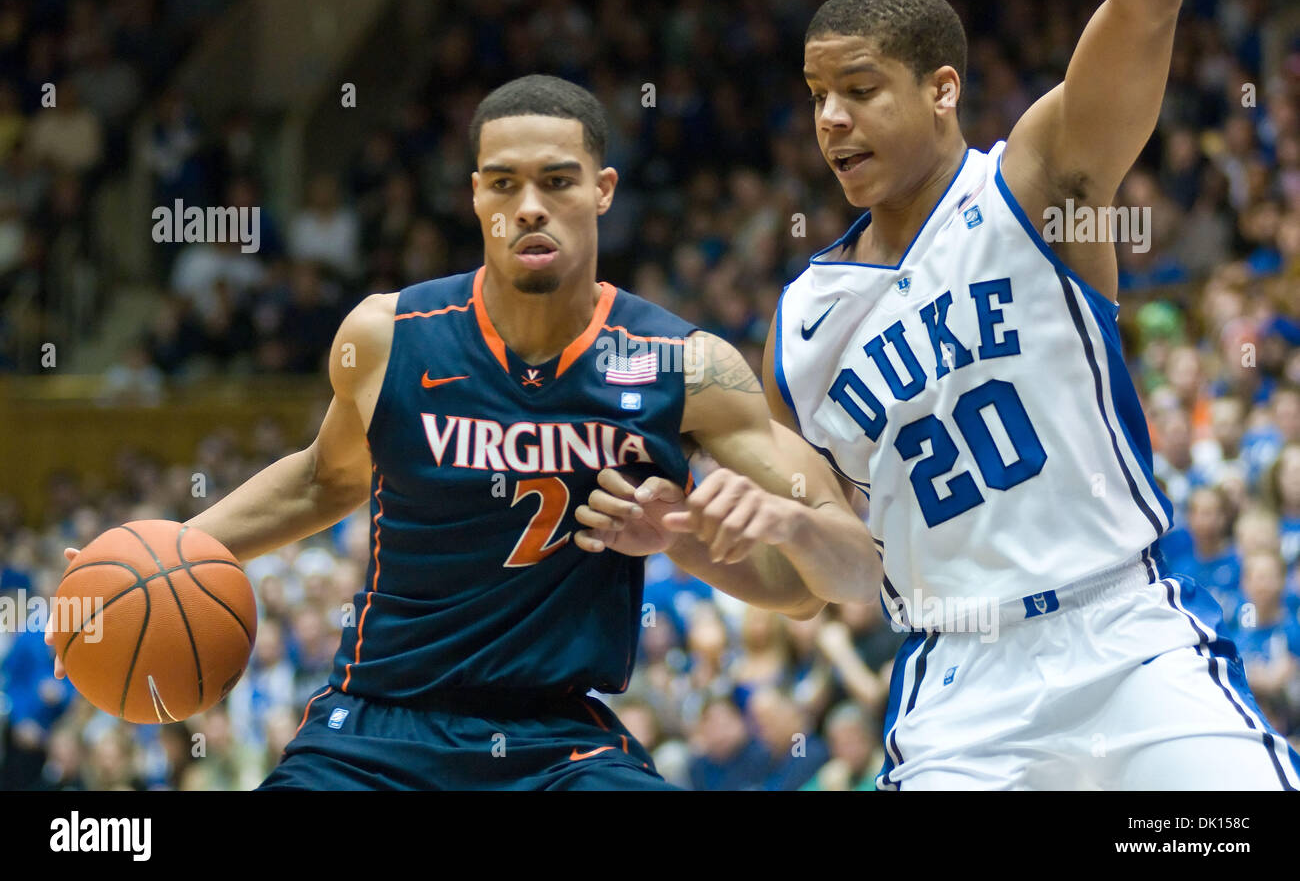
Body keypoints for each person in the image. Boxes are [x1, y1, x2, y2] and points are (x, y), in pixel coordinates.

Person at [585, 0, 1300, 789]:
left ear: (942, 89)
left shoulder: (1036, 186)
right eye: (816, 95)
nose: (831, 118)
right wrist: (692, 544)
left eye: (859, 89)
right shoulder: (802, 326)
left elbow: (1147, 5)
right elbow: (823, 576)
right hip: (963, 686)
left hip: (1126, 636)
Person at [49, 75, 875, 790]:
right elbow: (319, 480)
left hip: (559, 742)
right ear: (475, 193)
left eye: (558, 181)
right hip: (374, 731)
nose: (529, 208)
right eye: (504, 184)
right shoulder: (387, 336)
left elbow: (819, 580)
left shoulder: (685, 367)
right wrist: (153, 565)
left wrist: (690, 539)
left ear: (604, 190)